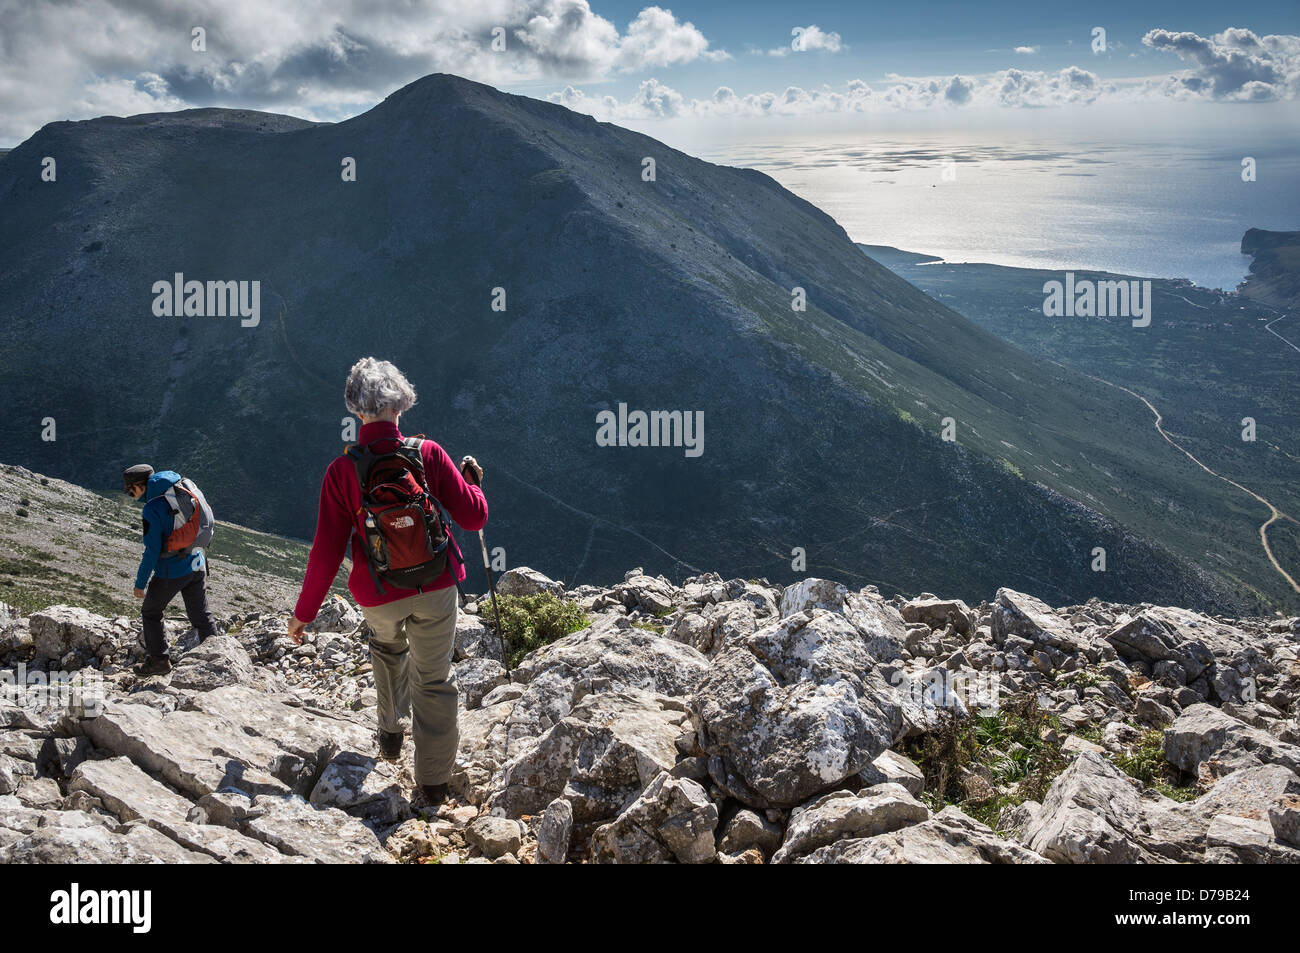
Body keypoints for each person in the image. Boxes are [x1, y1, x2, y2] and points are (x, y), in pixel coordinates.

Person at [290, 357, 487, 806]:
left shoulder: (342, 471)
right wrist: (473, 484)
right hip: (436, 587)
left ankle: (390, 732)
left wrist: (304, 614)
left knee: (387, 650)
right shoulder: (429, 454)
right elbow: (474, 517)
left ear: (356, 412)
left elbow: (325, 552)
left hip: (378, 594)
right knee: (434, 679)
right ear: (401, 404)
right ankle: (433, 785)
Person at [124, 464, 218, 676]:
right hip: (197, 561)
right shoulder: (181, 486)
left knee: (150, 612)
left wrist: (140, 584)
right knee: (200, 615)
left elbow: (152, 551)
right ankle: (221, 657)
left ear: (140, 485)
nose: (131, 495)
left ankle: (159, 662)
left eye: (131, 490)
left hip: (172, 570)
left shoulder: (152, 508)